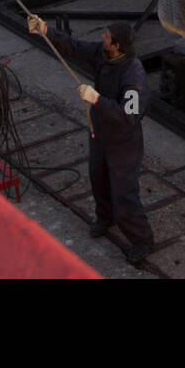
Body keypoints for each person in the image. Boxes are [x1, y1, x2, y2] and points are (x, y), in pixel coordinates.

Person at [28, 16, 155, 264]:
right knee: (98, 176)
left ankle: (142, 239)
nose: (102, 38)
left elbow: (129, 116)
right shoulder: (103, 54)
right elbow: (75, 47)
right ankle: (105, 217)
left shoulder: (133, 76)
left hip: (123, 141)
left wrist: (97, 100)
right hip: (100, 132)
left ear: (117, 45)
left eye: (106, 36)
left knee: (124, 191)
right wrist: (45, 30)